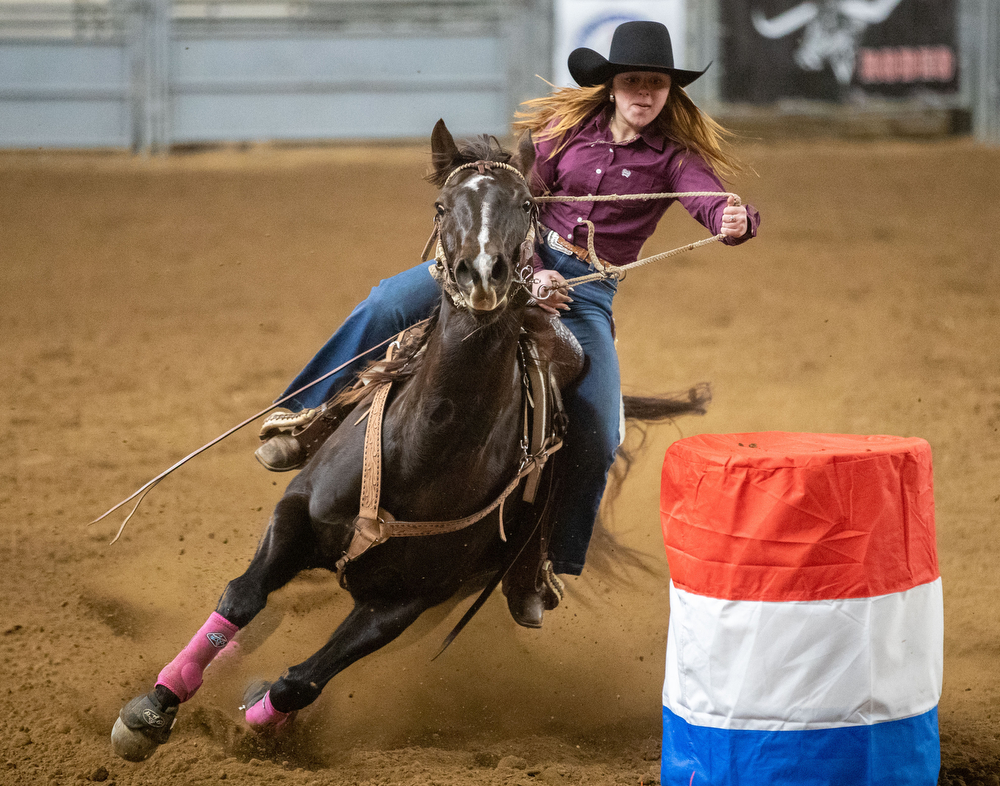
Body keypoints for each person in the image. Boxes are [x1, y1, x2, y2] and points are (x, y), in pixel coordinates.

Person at [255, 20, 760, 626]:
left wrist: (734, 218)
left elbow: (709, 201)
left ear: (669, 93)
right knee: (388, 303)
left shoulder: (675, 160)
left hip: (586, 297)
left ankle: (543, 559)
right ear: (612, 87)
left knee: (599, 432)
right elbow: (511, 203)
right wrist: (529, 269)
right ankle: (303, 417)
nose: (644, 93)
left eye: (656, 84)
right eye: (634, 82)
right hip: (506, 261)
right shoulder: (561, 136)